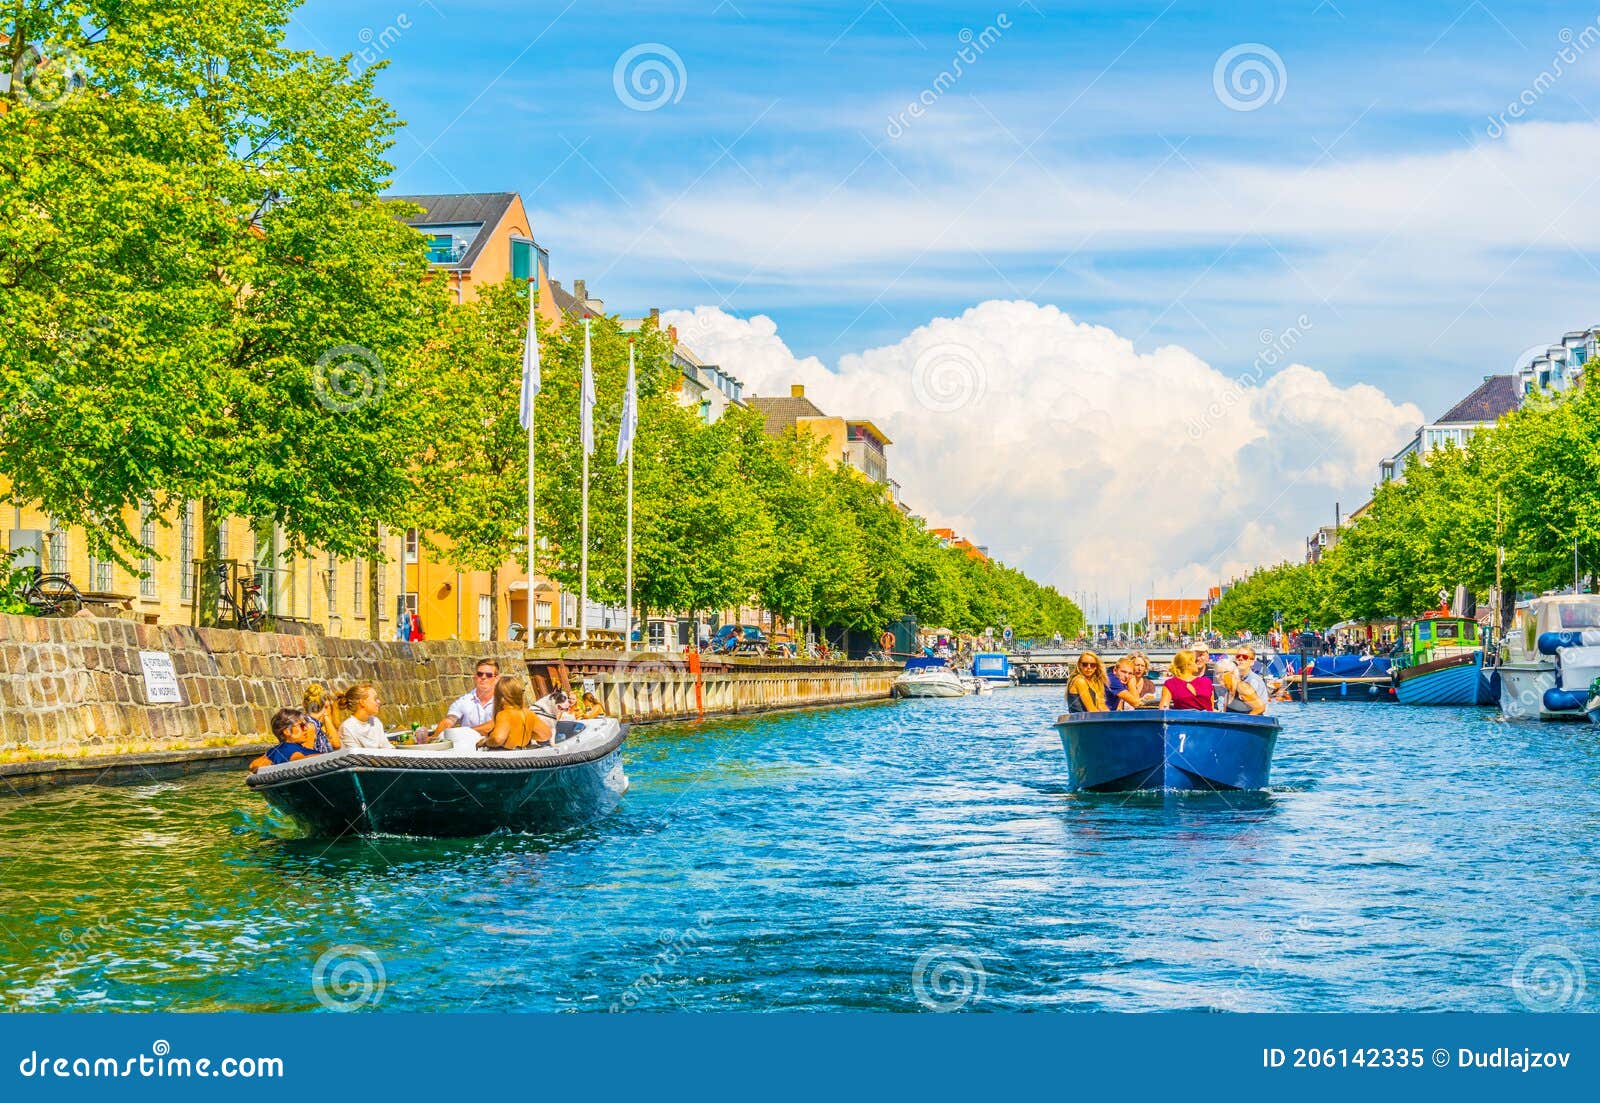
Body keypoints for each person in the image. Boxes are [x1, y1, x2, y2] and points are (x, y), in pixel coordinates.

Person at [429, 658, 500, 744]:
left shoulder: (503, 701)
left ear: (497, 679)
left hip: (494, 748)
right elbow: (449, 721)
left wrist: (463, 732)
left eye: (488, 675)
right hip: (468, 748)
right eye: (480, 674)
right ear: (475, 677)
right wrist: (434, 739)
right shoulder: (464, 701)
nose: (483, 677)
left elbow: (493, 725)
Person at [478, 677, 551, 750]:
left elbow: (498, 739)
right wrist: (526, 734)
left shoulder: (504, 714)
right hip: (523, 755)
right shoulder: (529, 713)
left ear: (500, 697)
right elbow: (546, 735)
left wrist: (486, 742)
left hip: (505, 757)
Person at [250, 708, 323, 771]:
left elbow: (253, 765)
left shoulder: (274, 751)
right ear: (287, 731)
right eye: (302, 726)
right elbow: (298, 759)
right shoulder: (291, 749)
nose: (306, 728)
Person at [339, 683, 391, 749]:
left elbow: (386, 746)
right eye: (375, 699)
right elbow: (355, 756)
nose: (379, 701)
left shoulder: (373, 721)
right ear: (362, 702)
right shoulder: (348, 727)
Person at [1225, 646, 1270, 715]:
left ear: (1252, 662)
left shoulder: (1254, 681)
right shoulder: (1232, 679)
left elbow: (1260, 708)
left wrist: (1244, 720)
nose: (1240, 658)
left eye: (1245, 657)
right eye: (1238, 656)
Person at [302, 683, 341, 752]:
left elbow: (336, 744)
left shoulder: (316, 724)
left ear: (304, 704)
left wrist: (324, 715)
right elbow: (336, 745)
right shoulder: (310, 726)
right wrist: (325, 713)